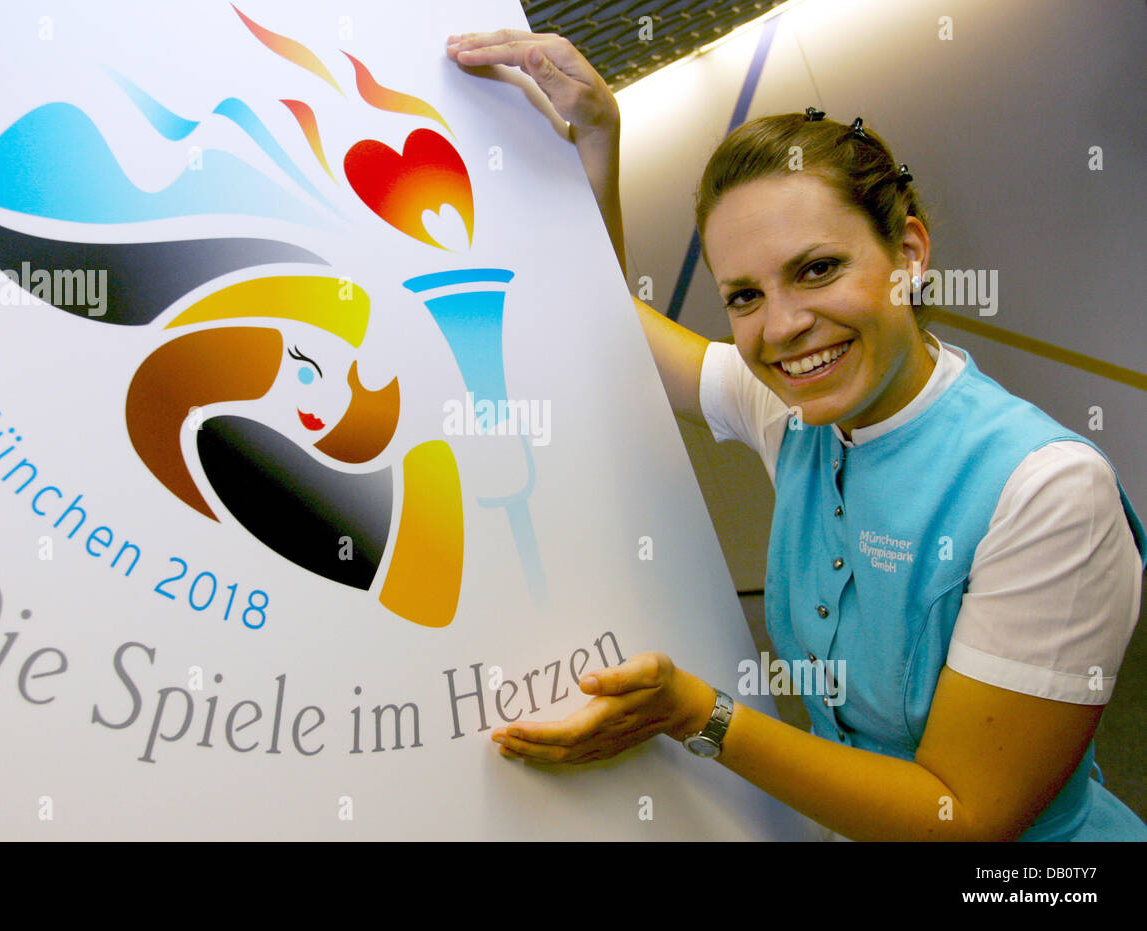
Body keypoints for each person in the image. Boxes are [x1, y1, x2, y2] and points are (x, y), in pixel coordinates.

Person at [445, 30, 1147, 841]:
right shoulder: (793, 409)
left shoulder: (1047, 490)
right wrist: (598, 141)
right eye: (744, 296)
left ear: (908, 253)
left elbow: (967, 818)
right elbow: (608, 322)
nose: (783, 328)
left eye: (817, 270)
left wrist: (701, 714)